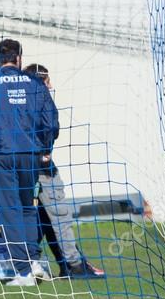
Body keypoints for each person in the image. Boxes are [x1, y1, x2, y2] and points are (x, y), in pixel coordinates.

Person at [0, 39, 58, 286]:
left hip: (2, 155)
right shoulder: (35, 84)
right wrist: (46, 147)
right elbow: (51, 120)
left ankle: (24, 271)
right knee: (28, 207)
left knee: (10, 211)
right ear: (19, 58)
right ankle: (34, 261)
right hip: (30, 154)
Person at [23, 63, 105, 279]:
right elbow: (52, 125)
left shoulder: (16, 101)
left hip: (19, 167)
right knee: (59, 215)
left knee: (38, 217)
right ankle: (74, 264)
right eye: (48, 80)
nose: (51, 85)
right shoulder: (41, 97)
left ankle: (35, 262)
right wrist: (45, 149)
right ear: (42, 81)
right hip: (42, 166)